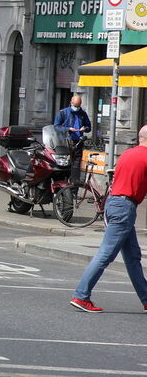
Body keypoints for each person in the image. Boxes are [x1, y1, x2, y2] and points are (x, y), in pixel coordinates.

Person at [69, 124, 147, 312]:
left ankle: (146, 298)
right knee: (106, 254)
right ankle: (81, 296)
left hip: (114, 203)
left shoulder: (128, 154)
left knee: (132, 256)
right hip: (125, 207)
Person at [53, 94, 92, 184]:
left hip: (78, 142)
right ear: (71, 103)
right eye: (75, 106)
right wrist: (68, 129)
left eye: (78, 106)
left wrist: (85, 128)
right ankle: (64, 184)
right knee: (66, 165)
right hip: (66, 142)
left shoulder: (82, 113)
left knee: (76, 165)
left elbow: (89, 127)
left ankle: (74, 187)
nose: (77, 108)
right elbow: (56, 126)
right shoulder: (63, 112)